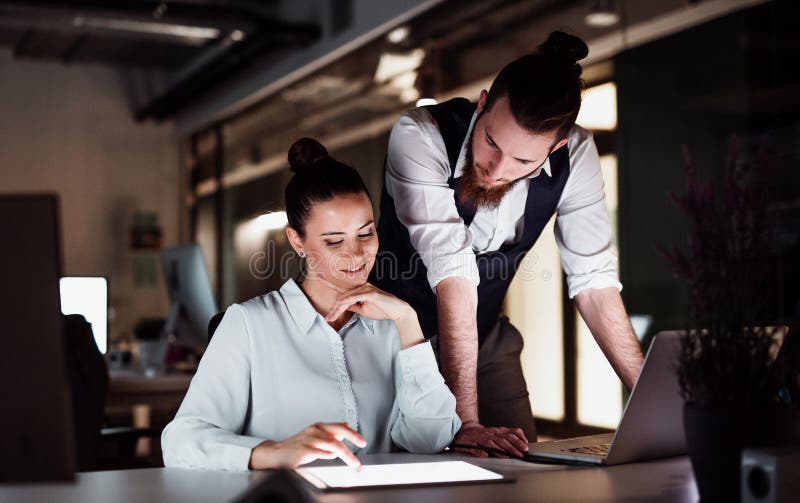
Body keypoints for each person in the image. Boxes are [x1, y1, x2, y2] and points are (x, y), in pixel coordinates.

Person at [370, 31, 644, 458]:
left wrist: (648, 397)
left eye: (523, 161)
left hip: (485, 336)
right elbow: (453, 272)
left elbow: (595, 284)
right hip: (389, 342)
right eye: (492, 142)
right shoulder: (421, 135)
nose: (497, 169)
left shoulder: (578, 155)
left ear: (555, 148)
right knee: (406, 468)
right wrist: (466, 421)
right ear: (482, 105)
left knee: (524, 465)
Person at [162, 138, 461, 471]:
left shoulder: (392, 324)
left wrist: (408, 323)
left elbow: (429, 440)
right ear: (297, 241)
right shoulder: (248, 325)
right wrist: (274, 452)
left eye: (366, 233)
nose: (357, 254)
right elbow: (181, 442)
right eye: (334, 241)